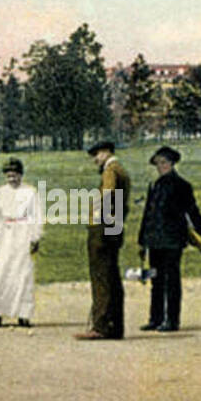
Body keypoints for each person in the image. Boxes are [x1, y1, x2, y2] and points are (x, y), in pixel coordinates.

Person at [137, 146, 201, 332]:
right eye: (158, 163)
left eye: (164, 162)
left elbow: (193, 213)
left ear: (172, 164)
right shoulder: (154, 185)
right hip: (155, 240)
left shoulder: (182, 186)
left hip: (172, 240)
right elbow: (148, 215)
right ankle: (155, 318)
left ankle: (172, 320)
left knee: (172, 280)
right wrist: (142, 241)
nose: (160, 166)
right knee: (156, 280)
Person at [0, 158, 42, 327]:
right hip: (5, 235)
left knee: (22, 274)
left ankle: (23, 314)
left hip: (23, 234)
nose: (12, 179)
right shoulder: (0, 193)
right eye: (9, 176)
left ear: (21, 175)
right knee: (0, 273)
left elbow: (37, 216)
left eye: (15, 175)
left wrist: (35, 237)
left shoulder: (30, 192)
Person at [75, 141, 130, 341]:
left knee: (101, 277)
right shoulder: (120, 170)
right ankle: (115, 326)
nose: (95, 160)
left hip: (104, 228)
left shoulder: (110, 171)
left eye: (96, 155)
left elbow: (107, 197)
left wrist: (98, 219)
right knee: (112, 277)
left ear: (106, 153)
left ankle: (100, 326)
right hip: (115, 227)